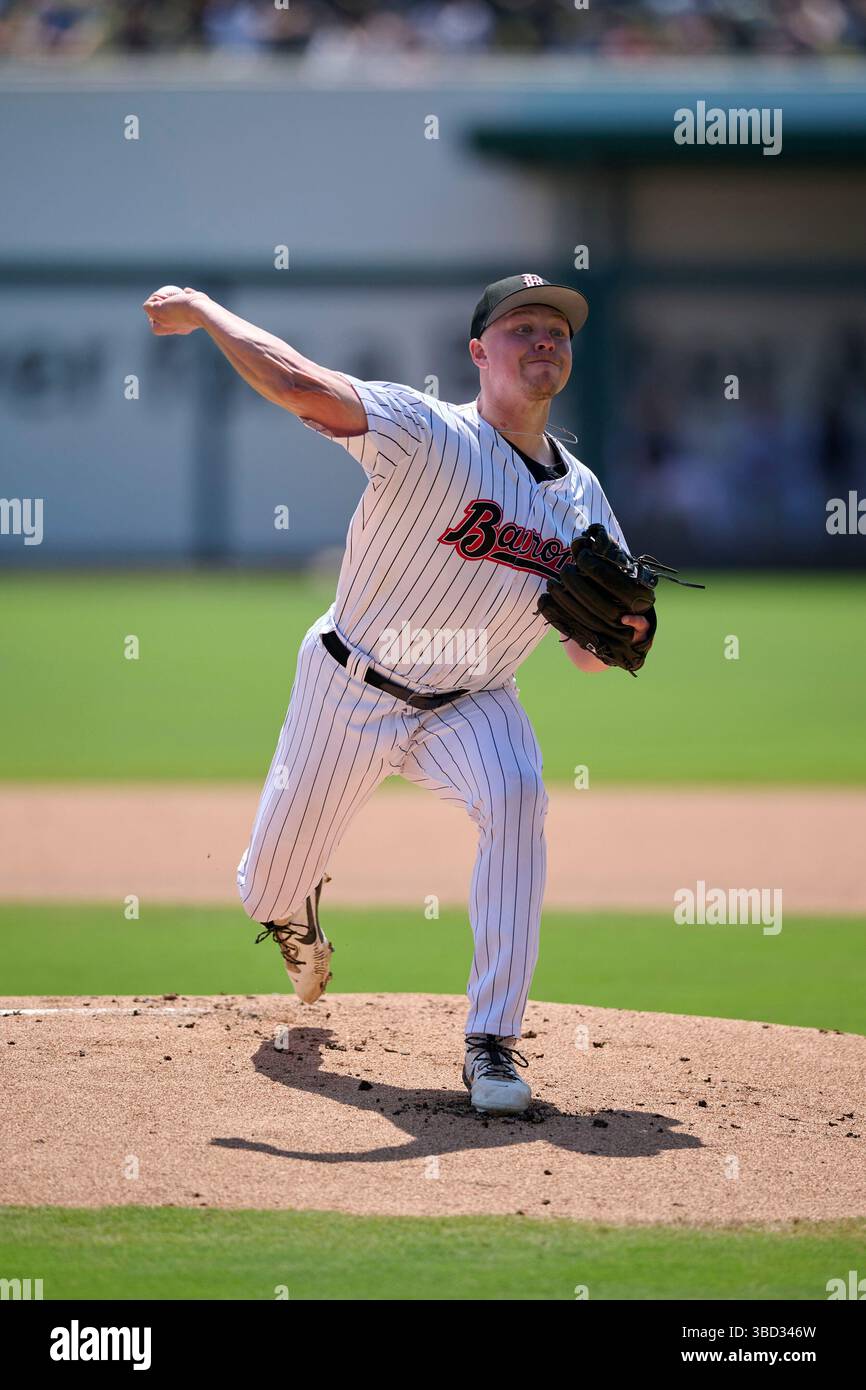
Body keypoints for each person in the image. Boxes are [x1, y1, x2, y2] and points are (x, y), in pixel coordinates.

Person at [143, 273, 651, 1115]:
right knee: (265, 887)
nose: (544, 340)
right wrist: (202, 310)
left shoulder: (583, 497)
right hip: (350, 686)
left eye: (556, 330)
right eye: (522, 327)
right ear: (479, 352)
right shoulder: (426, 432)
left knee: (519, 794)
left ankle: (492, 1043)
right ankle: (293, 916)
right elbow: (299, 384)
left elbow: (589, 652)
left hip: (473, 700)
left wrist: (624, 636)